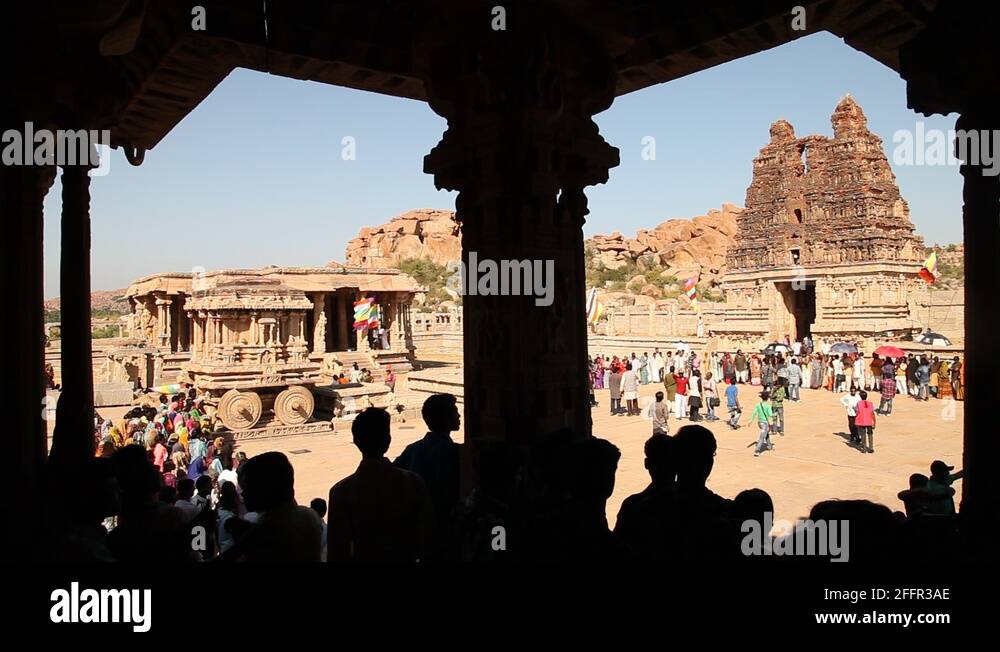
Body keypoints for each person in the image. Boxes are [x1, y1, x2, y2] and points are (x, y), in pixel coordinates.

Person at [329, 407, 436, 561]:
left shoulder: (341, 492)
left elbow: (337, 551)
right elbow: (428, 539)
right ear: (388, 440)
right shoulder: (413, 482)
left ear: (356, 441)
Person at [395, 393, 462, 553]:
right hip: (447, 528)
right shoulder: (456, 453)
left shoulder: (412, 450)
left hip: (420, 531)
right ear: (446, 418)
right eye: (454, 411)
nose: (459, 415)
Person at [230, 452, 323, 562]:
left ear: (265, 490)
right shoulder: (309, 516)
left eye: (247, 487)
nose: (243, 494)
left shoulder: (265, 533)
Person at [750, 392, 774, 457]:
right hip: (765, 423)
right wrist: (775, 415)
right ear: (767, 398)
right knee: (762, 437)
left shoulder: (758, 405)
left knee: (766, 434)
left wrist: (750, 421)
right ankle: (757, 450)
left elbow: (754, 413)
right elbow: (770, 415)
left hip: (759, 423)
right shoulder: (768, 406)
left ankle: (769, 446)